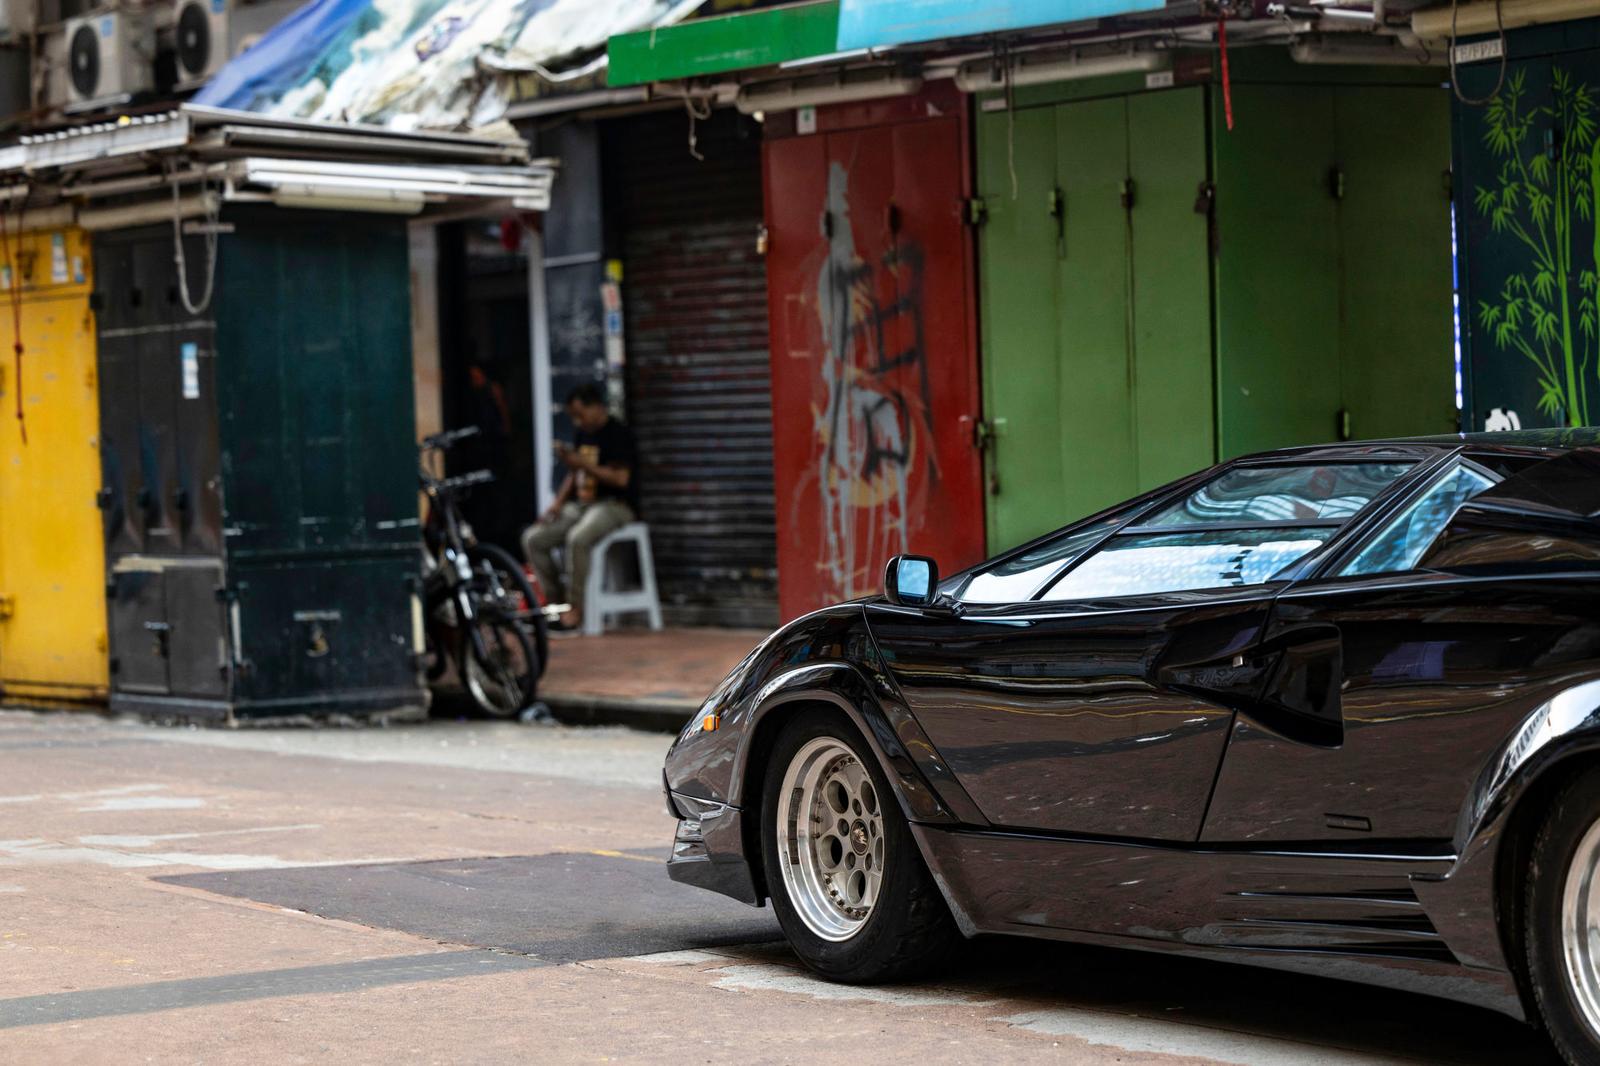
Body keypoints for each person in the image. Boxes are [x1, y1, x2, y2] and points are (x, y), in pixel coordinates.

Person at [522, 384, 638, 631]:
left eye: (580, 413)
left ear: (596, 407)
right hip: (581, 505)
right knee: (534, 539)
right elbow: (574, 474)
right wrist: (557, 504)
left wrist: (584, 464)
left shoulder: (618, 433)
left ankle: (576, 609)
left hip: (614, 506)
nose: (577, 420)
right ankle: (556, 604)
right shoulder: (582, 433)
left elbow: (621, 479)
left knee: (578, 538)